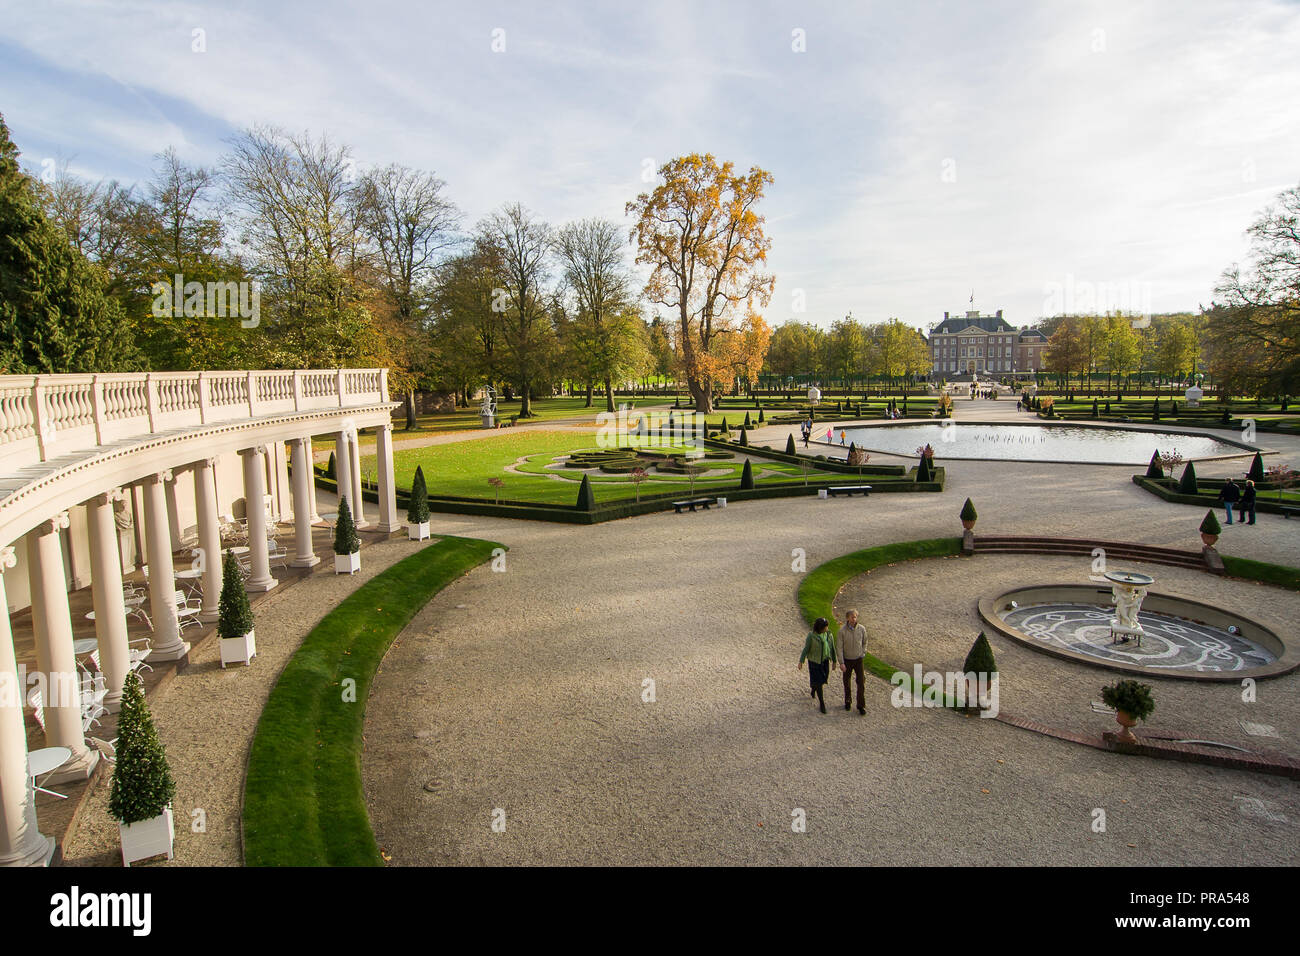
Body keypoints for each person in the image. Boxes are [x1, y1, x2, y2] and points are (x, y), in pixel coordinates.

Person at [797, 617, 837, 714]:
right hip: (814, 661)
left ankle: (813, 687)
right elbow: (806, 648)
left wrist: (834, 661)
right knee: (819, 682)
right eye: (825, 627)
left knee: (824, 679)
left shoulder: (829, 635)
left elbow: (832, 648)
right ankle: (822, 702)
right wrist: (801, 661)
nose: (827, 628)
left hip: (824, 661)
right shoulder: (811, 636)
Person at [837, 610, 868, 715]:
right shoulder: (842, 631)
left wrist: (863, 652)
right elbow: (839, 648)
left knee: (861, 682)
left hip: (858, 659)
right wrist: (841, 662)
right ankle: (848, 700)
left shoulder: (862, 629)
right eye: (852, 617)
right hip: (847, 660)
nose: (854, 619)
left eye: (855, 617)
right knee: (847, 682)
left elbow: (865, 642)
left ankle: (861, 705)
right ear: (847, 618)